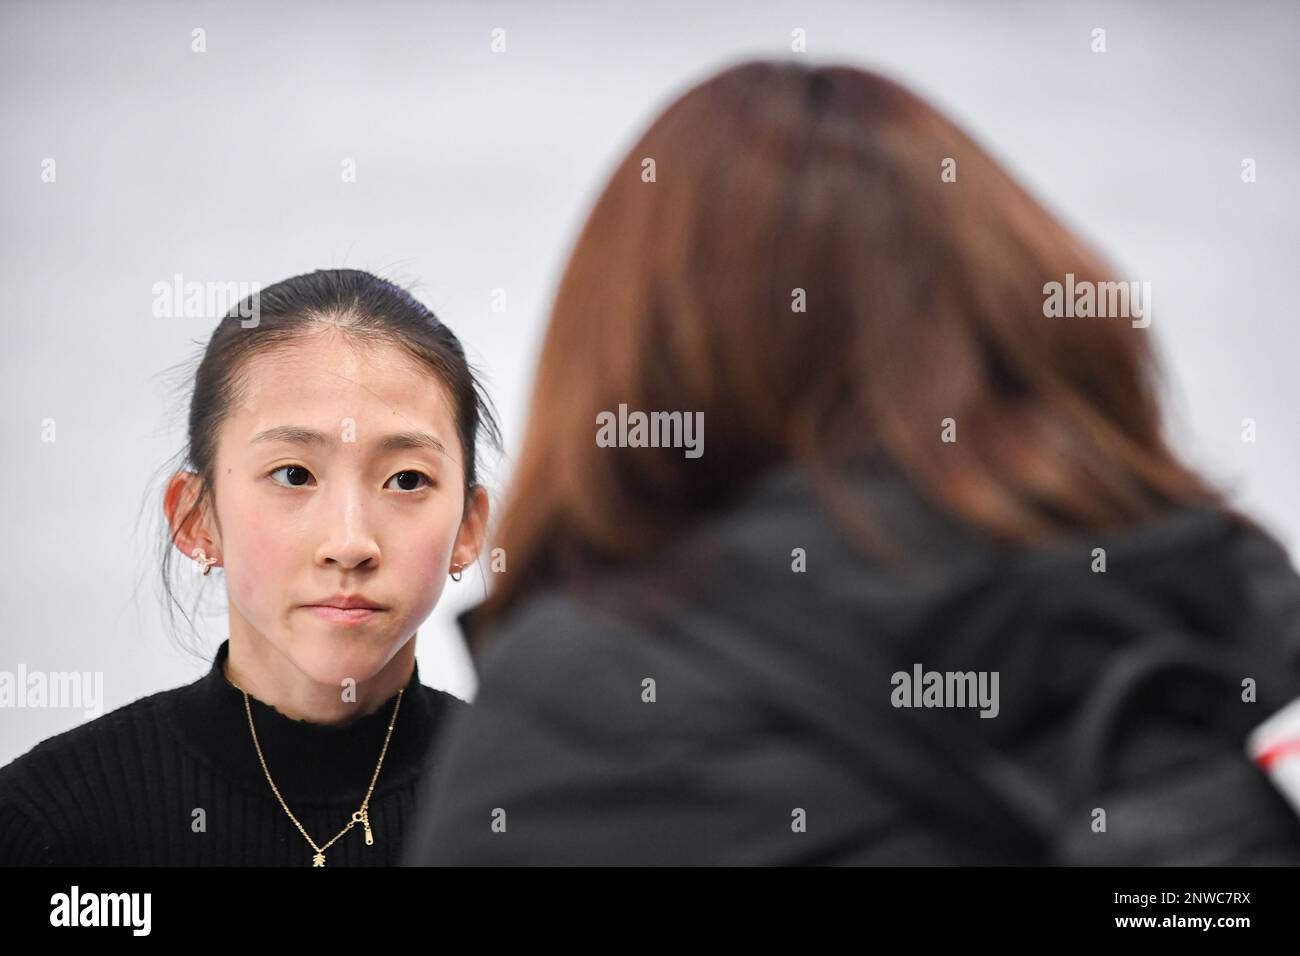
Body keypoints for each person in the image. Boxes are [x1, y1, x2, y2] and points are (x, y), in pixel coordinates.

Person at [403, 62, 1300, 865]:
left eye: (408, 477)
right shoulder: (1223, 624)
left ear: (631, 355)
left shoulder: (581, 714)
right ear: (1018, 312)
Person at [0, 268, 495, 865]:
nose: (349, 542)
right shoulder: (48, 826)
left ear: (468, 527)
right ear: (196, 518)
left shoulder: (549, 810)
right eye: (293, 475)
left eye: (407, 480)